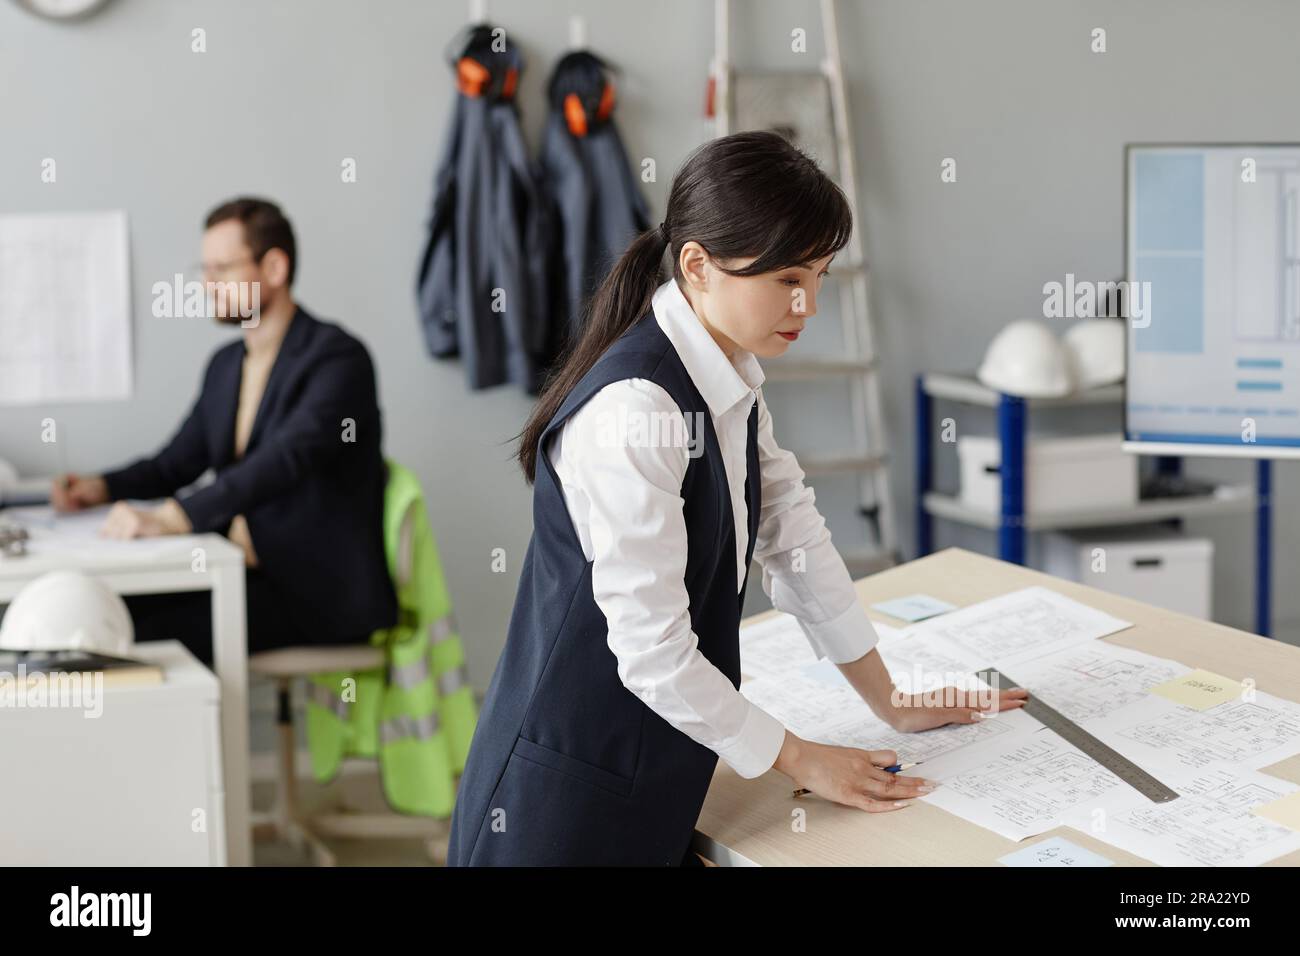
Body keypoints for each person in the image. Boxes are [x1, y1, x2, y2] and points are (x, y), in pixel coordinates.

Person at [447, 131, 1027, 867]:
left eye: (819, 274)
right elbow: (654, 653)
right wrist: (800, 757)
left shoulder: (730, 373)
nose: (808, 303)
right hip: (560, 807)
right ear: (698, 266)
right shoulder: (638, 408)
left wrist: (889, 700)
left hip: (650, 778)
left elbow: (792, 532)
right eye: (787, 277)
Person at [51, 198, 396, 665]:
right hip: (240, 572)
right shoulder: (225, 365)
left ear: (274, 267)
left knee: (136, 634)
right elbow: (176, 462)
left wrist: (175, 517)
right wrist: (101, 487)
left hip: (312, 592)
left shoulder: (338, 359)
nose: (207, 284)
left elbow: (284, 460)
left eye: (222, 269)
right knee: (101, 610)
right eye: (204, 269)